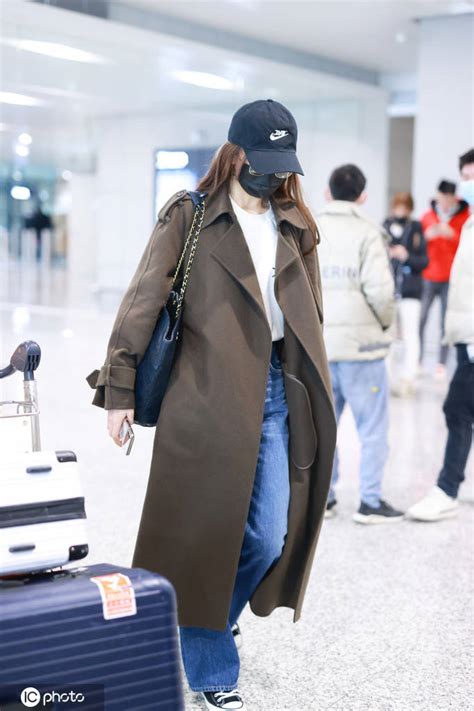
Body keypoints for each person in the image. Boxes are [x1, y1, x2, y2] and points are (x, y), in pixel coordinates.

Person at [86, 99, 337, 710]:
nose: (273, 175)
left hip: (276, 390)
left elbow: (310, 313)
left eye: (283, 163)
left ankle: (209, 615)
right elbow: (142, 300)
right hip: (204, 392)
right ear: (236, 153)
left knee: (270, 535)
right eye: (263, 161)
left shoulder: (295, 223)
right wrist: (119, 390)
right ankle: (213, 670)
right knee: (204, 534)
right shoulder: (190, 215)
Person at [317, 164, 403, 524]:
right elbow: (381, 292)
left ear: (328, 192)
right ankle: (369, 501)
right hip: (362, 351)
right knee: (372, 429)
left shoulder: (310, 228)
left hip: (320, 347)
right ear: (363, 197)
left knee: (323, 428)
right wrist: (385, 325)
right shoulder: (369, 233)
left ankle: (324, 499)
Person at [407, 149, 474, 522]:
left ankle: (447, 488)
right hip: (465, 332)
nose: (467, 183)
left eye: (472, 176)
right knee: (462, 408)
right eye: (465, 176)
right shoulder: (468, 220)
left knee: (457, 408)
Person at [419, 180, 470, 378]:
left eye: (449, 198)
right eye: (442, 198)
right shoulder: (427, 216)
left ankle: (441, 363)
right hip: (429, 275)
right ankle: (419, 360)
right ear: (438, 196)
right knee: (421, 318)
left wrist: (453, 235)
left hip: (451, 277)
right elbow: (417, 244)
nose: (445, 202)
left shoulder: (465, 217)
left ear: (454, 198)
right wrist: (426, 236)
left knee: (445, 322)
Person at [384, 192, 429, 396]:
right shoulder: (385, 226)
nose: (400, 210)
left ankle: (408, 379)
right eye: (397, 205)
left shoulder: (416, 228)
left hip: (411, 291)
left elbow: (424, 261)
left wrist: (406, 256)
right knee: (388, 337)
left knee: (411, 335)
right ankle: (385, 379)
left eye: (404, 206)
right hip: (388, 291)